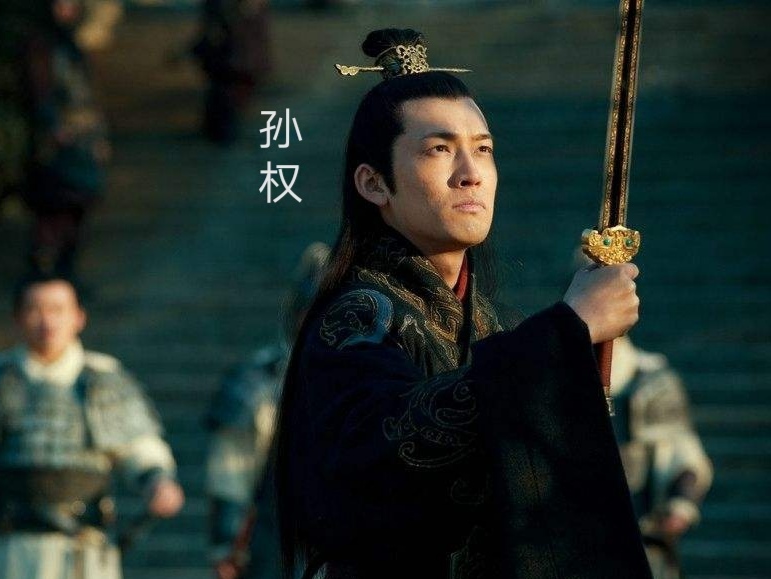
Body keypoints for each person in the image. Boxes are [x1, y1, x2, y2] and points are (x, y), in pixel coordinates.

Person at [273, 29, 653, 578]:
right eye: (439, 149)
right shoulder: (358, 316)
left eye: (483, 149)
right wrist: (565, 333)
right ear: (375, 183)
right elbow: (389, 447)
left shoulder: (488, 322)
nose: (471, 174)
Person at [0, 274, 184, 579]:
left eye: (57, 310)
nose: (47, 321)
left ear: (79, 317)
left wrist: (157, 481)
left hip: (86, 548)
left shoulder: (104, 380)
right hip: (10, 548)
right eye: (35, 309)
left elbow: (140, 449)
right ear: (18, 317)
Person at [205, 242, 329, 579]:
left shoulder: (376, 375)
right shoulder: (259, 380)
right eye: (314, 311)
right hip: (274, 537)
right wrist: (227, 543)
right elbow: (231, 471)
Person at [609, 336, 713, 579]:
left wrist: (680, 503)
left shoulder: (652, 379)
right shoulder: (550, 376)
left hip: (643, 532)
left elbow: (683, 454)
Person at [22, 0, 110, 278]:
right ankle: (46, 279)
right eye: (60, 4)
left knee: (77, 209)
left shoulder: (73, 47)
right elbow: (39, 93)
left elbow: (87, 95)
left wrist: (98, 137)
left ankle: (67, 275)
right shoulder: (41, 47)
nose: (65, 11)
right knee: (53, 212)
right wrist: (53, 127)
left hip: (82, 140)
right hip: (56, 145)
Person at [192, 0, 271, 144]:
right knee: (225, 99)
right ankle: (221, 130)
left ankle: (222, 130)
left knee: (226, 98)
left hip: (233, 63)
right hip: (233, 62)